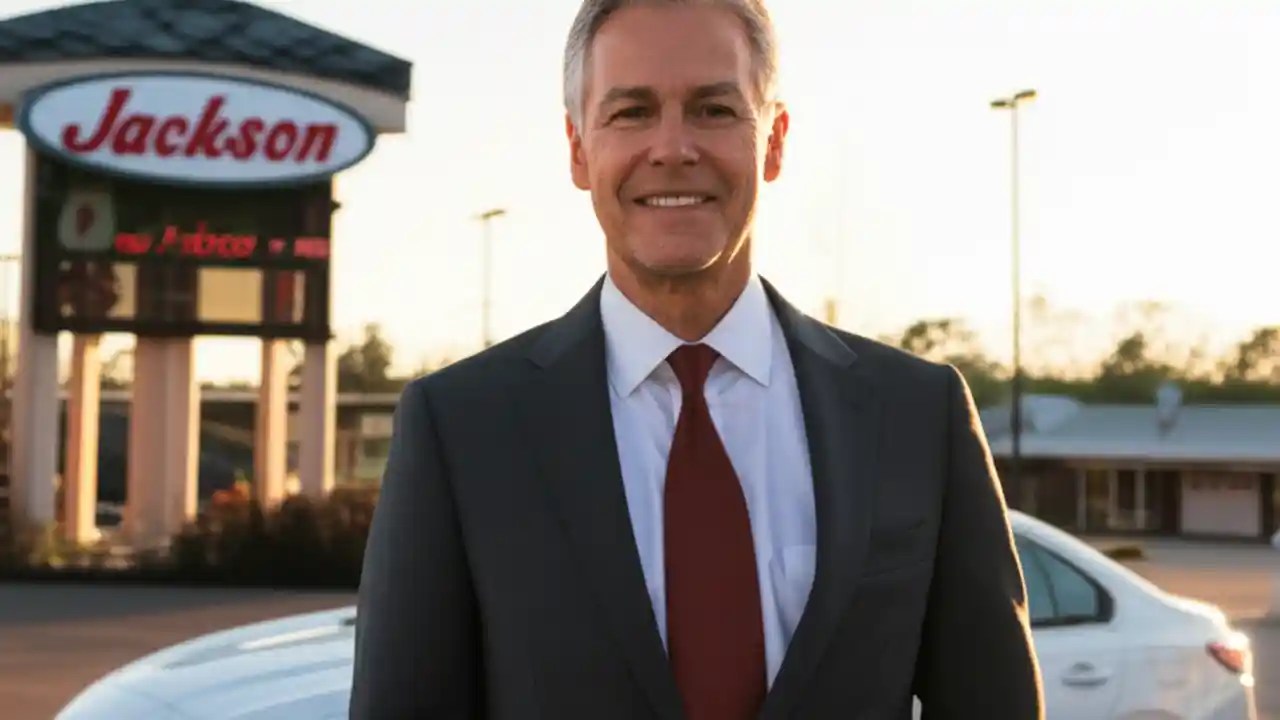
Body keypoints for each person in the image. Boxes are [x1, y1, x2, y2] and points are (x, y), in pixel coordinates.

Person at [349, 0, 1044, 717]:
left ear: (773, 141)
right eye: (631, 113)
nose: (674, 147)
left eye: (714, 110)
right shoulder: (463, 431)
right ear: (578, 150)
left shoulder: (916, 416)